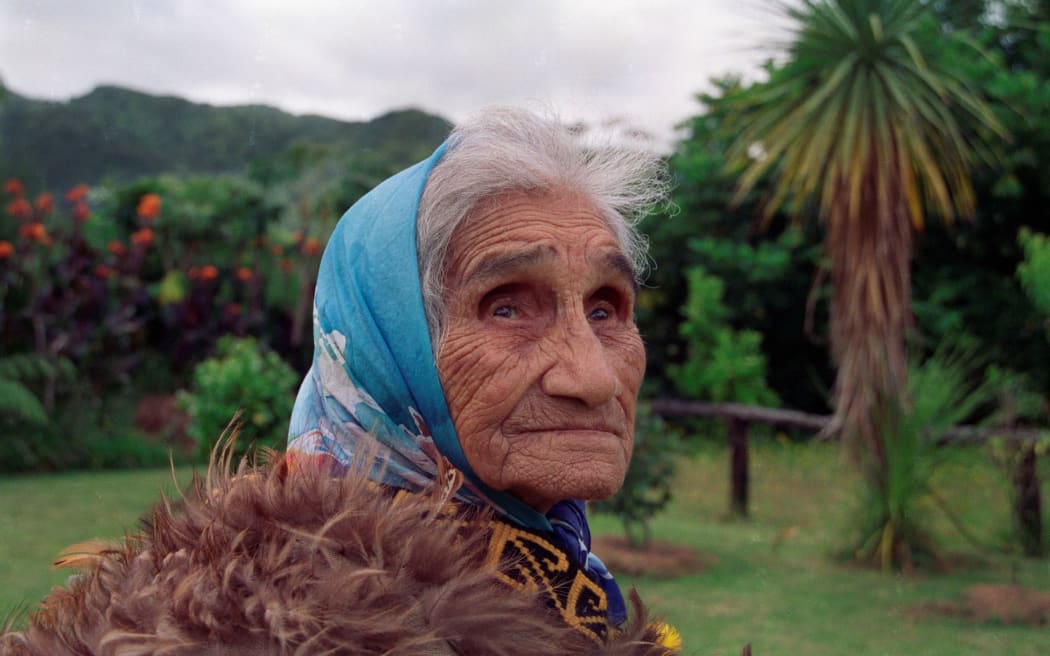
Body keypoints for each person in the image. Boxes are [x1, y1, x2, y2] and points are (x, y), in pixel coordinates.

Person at [0, 107, 678, 655]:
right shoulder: (273, 631)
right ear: (387, 351)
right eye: (506, 306)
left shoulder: (550, 578)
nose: (591, 377)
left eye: (605, 308)